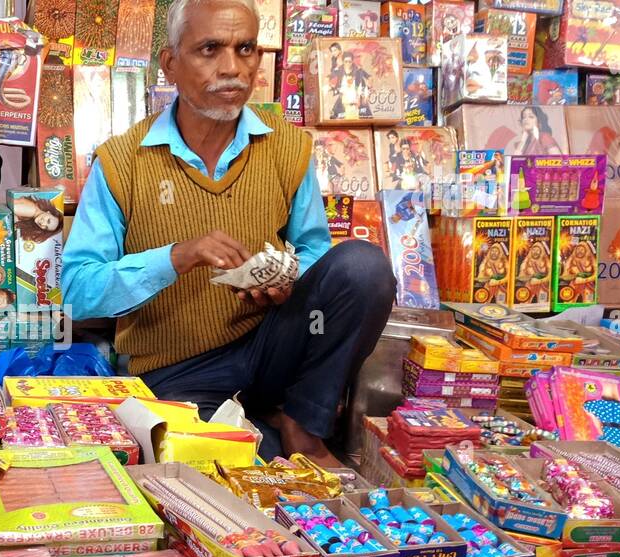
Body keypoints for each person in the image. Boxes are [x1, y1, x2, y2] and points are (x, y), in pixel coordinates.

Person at [61, 0, 396, 465]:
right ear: (170, 63)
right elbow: (77, 289)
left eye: (246, 49)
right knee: (235, 470)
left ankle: (303, 421)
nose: (232, 68)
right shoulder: (122, 162)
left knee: (363, 267)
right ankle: (268, 429)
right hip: (178, 369)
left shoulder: (286, 146)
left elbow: (315, 250)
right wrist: (177, 256)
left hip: (271, 349)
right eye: (209, 49)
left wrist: (286, 282)